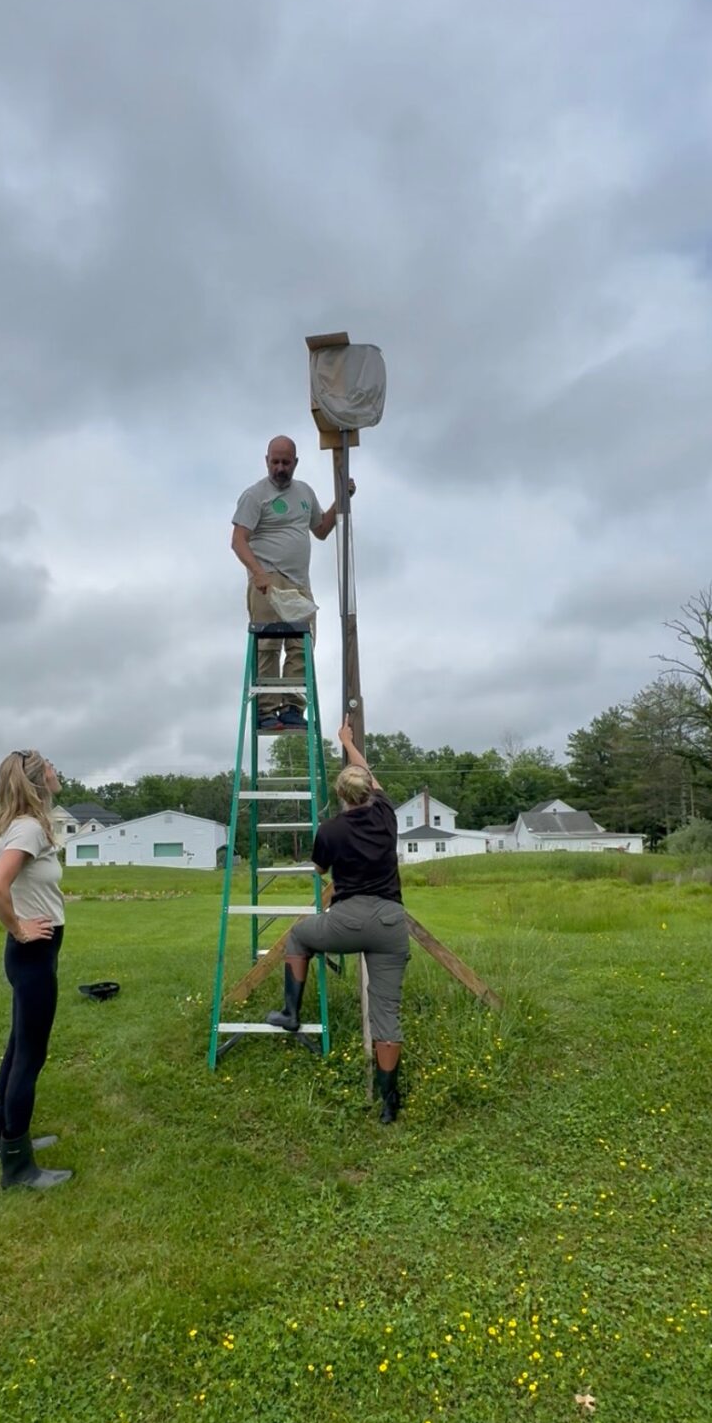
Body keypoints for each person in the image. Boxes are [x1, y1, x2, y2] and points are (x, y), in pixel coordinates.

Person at [267, 716, 409, 1123]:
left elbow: (319, 871)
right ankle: (388, 1103)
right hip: (390, 922)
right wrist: (348, 743)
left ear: (342, 797)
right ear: (368, 793)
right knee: (386, 1014)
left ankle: (291, 1014)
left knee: (298, 937)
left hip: (346, 919)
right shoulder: (386, 815)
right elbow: (371, 777)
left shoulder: (330, 830)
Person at [0, 749, 72, 1191]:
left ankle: (5, 1137)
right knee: (30, 1055)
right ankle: (18, 1166)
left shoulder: (26, 826)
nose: (58, 770)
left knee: (19, 1044)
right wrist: (18, 928)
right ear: (39, 778)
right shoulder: (29, 828)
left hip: (31, 952)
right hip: (32, 951)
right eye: (52, 765)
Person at [231, 434, 352, 731]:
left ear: (295, 463)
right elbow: (238, 540)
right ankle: (267, 710)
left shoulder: (304, 493)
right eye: (275, 462)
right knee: (269, 644)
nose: (280, 468)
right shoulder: (255, 495)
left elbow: (321, 529)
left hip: (300, 582)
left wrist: (341, 499)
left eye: (286, 462)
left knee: (301, 644)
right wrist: (258, 572)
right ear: (267, 461)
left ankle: (292, 708)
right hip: (268, 579)